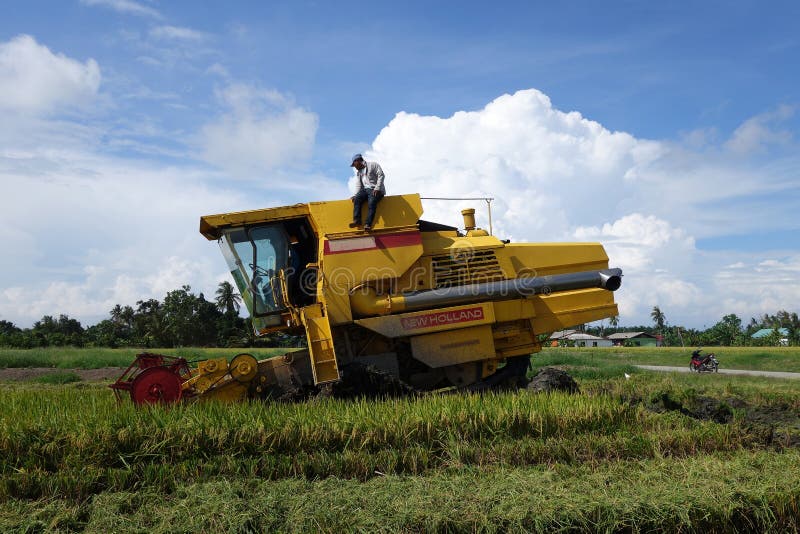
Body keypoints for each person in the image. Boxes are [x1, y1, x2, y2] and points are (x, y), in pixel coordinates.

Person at [349, 153, 385, 232]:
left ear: (358, 161)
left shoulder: (373, 165)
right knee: (357, 199)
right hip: (366, 190)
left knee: (371, 202)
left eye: (354, 164)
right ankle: (357, 221)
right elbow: (358, 184)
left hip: (376, 189)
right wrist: (355, 195)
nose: (355, 167)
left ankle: (368, 224)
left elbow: (381, 175)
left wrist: (377, 188)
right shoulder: (359, 172)